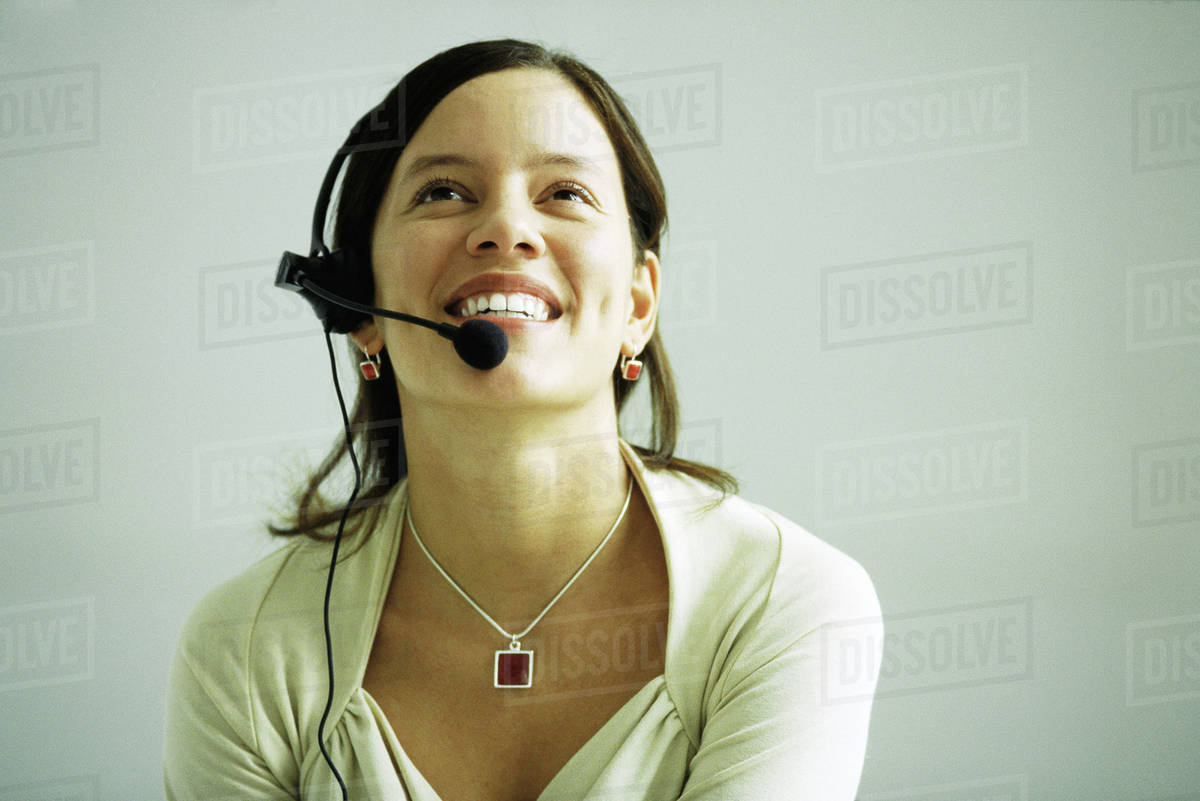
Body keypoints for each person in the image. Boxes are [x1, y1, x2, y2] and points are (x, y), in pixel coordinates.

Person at [163, 38, 883, 801]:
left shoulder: (785, 601)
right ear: (358, 310)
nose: (506, 229)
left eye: (565, 194)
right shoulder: (243, 648)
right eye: (443, 191)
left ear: (638, 306)